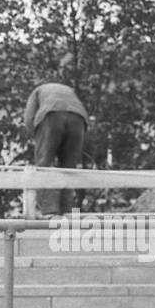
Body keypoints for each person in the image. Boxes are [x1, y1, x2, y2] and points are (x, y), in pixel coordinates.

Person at [24, 80, 89, 215]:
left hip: (51, 114)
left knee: (43, 165)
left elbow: (29, 119)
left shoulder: (37, 91)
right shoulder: (70, 91)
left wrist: (39, 140)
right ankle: (67, 210)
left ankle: (49, 211)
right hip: (79, 119)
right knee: (69, 168)